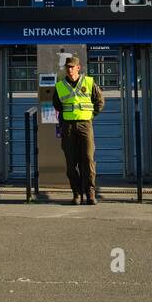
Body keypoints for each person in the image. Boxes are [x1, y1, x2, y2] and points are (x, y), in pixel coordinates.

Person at [54, 55, 104, 205]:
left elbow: (99, 101)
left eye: (72, 67)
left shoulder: (89, 82)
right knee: (71, 162)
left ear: (78, 67)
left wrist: (90, 115)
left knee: (88, 159)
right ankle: (76, 193)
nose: (69, 70)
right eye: (67, 67)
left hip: (85, 125)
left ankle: (90, 193)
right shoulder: (60, 86)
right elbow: (57, 105)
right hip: (68, 127)